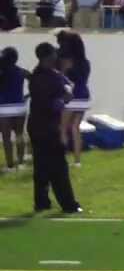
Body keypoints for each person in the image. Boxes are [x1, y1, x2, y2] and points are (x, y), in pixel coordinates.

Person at [30, 43, 80, 213]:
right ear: (48, 57)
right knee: (59, 166)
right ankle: (69, 204)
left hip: (37, 126)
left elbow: (67, 84)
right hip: (48, 127)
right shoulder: (45, 78)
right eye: (53, 54)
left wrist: (66, 88)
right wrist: (65, 98)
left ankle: (41, 203)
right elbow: (52, 105)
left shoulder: (42, 75)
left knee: (41, 166)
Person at [56, 31, 91, 167]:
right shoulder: (86, 62)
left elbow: (62, 77)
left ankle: (62, 159)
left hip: (71, 97)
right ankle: (77, 161)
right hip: (84, 96)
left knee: (63, 128)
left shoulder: (66, 61)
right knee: (76, 128)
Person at [0, 48, 28, 172]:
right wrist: (27, 95)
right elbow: (36, 80)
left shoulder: (1, 72)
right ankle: (21, 163)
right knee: (19, 134)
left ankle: (10, 165)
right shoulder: (21, 71)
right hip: (20, 106)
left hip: (4, 108)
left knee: (6, 138)